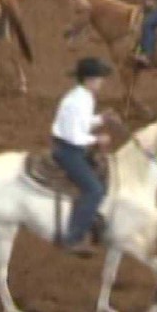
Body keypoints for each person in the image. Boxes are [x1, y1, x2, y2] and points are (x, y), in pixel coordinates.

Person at [50, 57, 119, 257]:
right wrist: (97, 139)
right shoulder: (77, 101)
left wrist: (101, 119)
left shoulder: (84, 97)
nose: (102, 82)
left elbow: (82, 123)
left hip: (72, 147)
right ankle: (73, 238)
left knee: (104, 177)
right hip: (69, 151)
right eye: (99, 78)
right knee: (94, 190)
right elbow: (75, 136)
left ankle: (90, 218)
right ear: (89, 80)